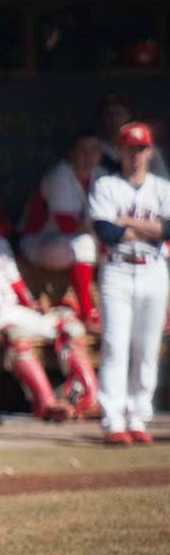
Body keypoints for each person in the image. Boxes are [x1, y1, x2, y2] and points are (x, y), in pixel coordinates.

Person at [0, 190, 98, 421]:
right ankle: (45, 403)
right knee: (16, 335)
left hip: (8, 308)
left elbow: (16, 282)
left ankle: (88, 398)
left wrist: (32, 303)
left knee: (69, 326)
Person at [88, 121, 170, 445]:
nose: (135, 154)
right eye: (129, 148)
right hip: (117, 270)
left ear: (149, 151)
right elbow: (106, 231)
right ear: (119, 150)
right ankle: (113, 420)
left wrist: (127, 222)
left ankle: (138, 416)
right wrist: (151, 227)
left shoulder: (162, 187)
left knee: (147, 349)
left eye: (140, 148)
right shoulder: (106, 185)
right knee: (115, 346)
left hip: (153, 270)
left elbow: (168, 231)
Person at [18, 131, 104, 331]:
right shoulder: (59, 175)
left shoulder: (102, 175)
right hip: (37, 242)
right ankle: (88, 312)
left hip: (75, 242)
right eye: (82, 150)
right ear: (71, 153)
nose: (88, 155)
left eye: (93, 150)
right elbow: (68, 225)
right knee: (85, 243)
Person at [96, 94, 168, 179]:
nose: (114, 118)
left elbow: (163, 179)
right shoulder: (95, 148)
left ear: (128, 115)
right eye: (109, 114)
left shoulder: (145, 147)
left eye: (118, 113)